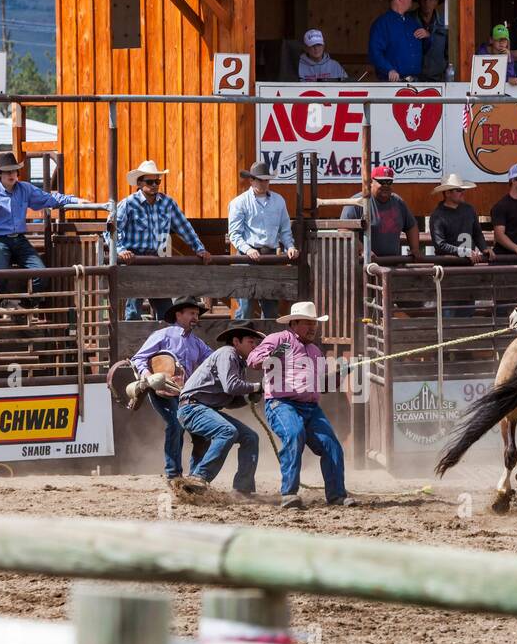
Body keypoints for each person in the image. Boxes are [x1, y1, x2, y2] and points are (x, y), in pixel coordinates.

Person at [246, 301, 353, 509]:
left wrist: (341, 374)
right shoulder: (278, 340)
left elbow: (321, 385)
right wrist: (273, 356)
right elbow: (253, 359)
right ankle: (289, 493)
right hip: (281, 403)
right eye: (307, 323)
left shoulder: (315, 351)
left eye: (314, 323)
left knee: (332, 446)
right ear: (294, 323)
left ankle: (337, 495)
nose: (313, 327)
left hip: (311, 408)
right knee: (294, 434)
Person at [0, 153, 77, 311]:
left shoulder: (24, 188)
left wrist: (72, 200)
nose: (12, 175)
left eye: (14, 171)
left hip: (18, 239)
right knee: (1, 275)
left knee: (41, 274)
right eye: (7, 172)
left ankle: (23, 306)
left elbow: (47, 199)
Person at [113, 159, 212, 320]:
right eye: (150, 181)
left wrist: (199, 248)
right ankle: (133, 344)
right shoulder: (128, 204)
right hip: (134, 261)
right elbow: (112, 230)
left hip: (158, 260)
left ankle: (164, 341)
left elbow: (184, 228)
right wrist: (121, 250)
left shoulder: (168, 203)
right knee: (133, 309)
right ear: (139, 183)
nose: (154, 185)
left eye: (157, 181)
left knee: (165, 310)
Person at [176, 321, 265, 496]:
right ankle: (199, 478)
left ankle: (241, 489)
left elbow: (229, 399)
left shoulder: (237, 361)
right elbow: (231, 386)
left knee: (250, 437)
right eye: (250, 341)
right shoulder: (228, 354)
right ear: (236, 341)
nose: (254, 346)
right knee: (227, 431)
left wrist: (248, 398)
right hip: (193, 409)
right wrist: (256, 387)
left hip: (202, 409)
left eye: (255, 342)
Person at [131, 296, 214, 482]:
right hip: (162, 390)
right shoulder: (163, 335)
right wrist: (148, 377)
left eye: (197, 314)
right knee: (176, 424)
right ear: (179, 314)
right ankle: (173, 474)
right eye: (192, 313)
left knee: (200, 430)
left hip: (186, 393)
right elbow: (138, 358)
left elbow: (213, 359)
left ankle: (196, 476)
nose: (196, 317)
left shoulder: (197, 343)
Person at [227, 160, 300, 320]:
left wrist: (290, 246)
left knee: (271, 307)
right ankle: (241, 343)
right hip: (247, 257)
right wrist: (248, 249)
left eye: (266, 179)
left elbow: (285, 230)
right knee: (245, 307)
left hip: (270, 256)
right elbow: (234, 234)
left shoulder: (279, 200)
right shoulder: (239, 202)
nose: (264, 183)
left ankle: (267, 343)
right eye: (260, 179)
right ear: (251, 180)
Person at [339, 165, 421, 261]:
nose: (386, 185)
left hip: (393, 264)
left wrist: (415, 249)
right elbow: (343, 230)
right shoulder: (358, 202)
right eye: (381, 182)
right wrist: (363, 250)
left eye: (389, 182)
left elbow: (411, 226)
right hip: (363, 265)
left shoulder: (398, 202)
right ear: (371, 183)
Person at [368, 0, 423, 81]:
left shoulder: (413, 22)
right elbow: (375, 53)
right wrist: (389, 70)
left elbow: (426, 48)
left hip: (415, 83)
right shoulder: (382, 24)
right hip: (392, 85)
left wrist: (427, 36)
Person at [429, 173, 491, 264]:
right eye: (458, 190)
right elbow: (440, 245)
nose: (462, 193)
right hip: (447, 269)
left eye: (463, 189)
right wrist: (465, 252)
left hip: (468, 267)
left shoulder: (469, 209)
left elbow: (477, 233)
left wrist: (485, 248)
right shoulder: (437, 216)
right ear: (447, 193)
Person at [412, 0, 448, 81]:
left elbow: (449, 51)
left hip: (438, 79)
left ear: (436, 1)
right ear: (419, 1)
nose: (427, 2)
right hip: (414, 79)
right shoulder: (409, 21)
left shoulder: (444, 23)